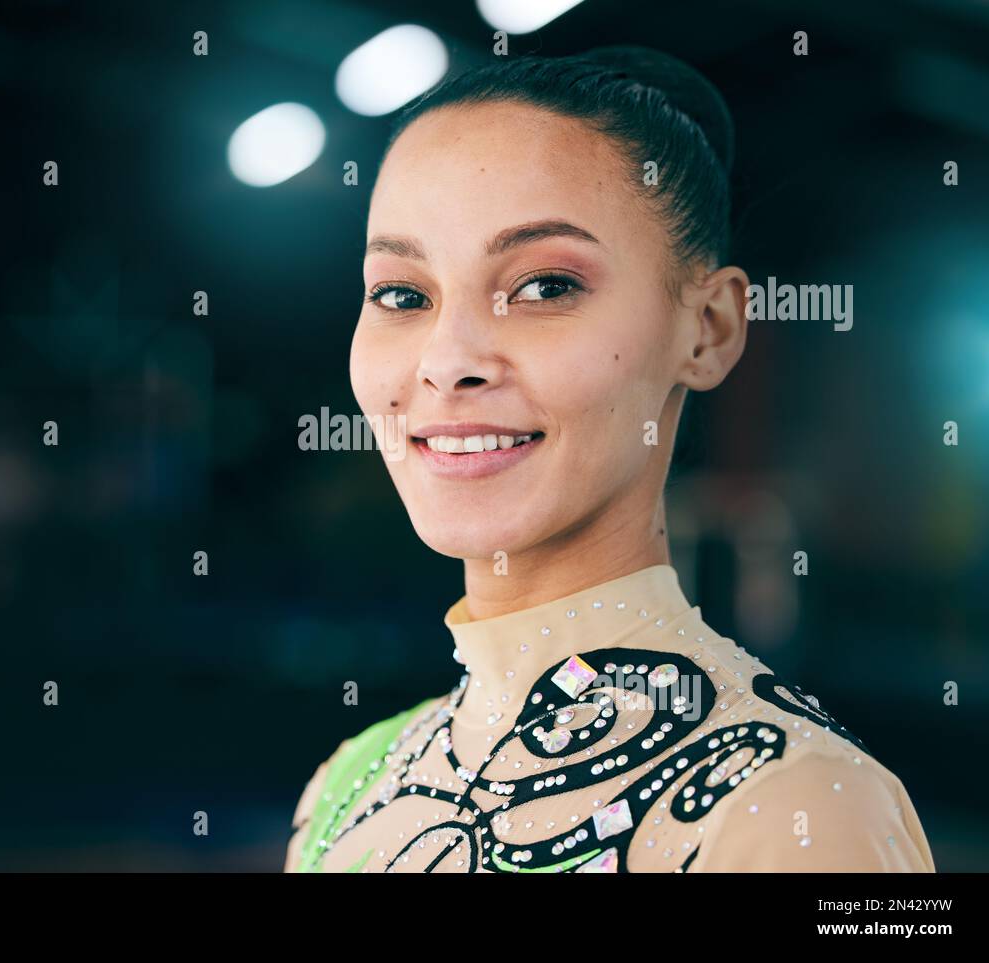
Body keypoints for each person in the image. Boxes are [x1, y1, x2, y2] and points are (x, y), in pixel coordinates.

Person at [284, 46, 934, 873]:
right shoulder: (346, 785)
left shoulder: (799, 806)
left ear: (709, 329)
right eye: (403, 295)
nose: (448, 361)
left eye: (545, 285)